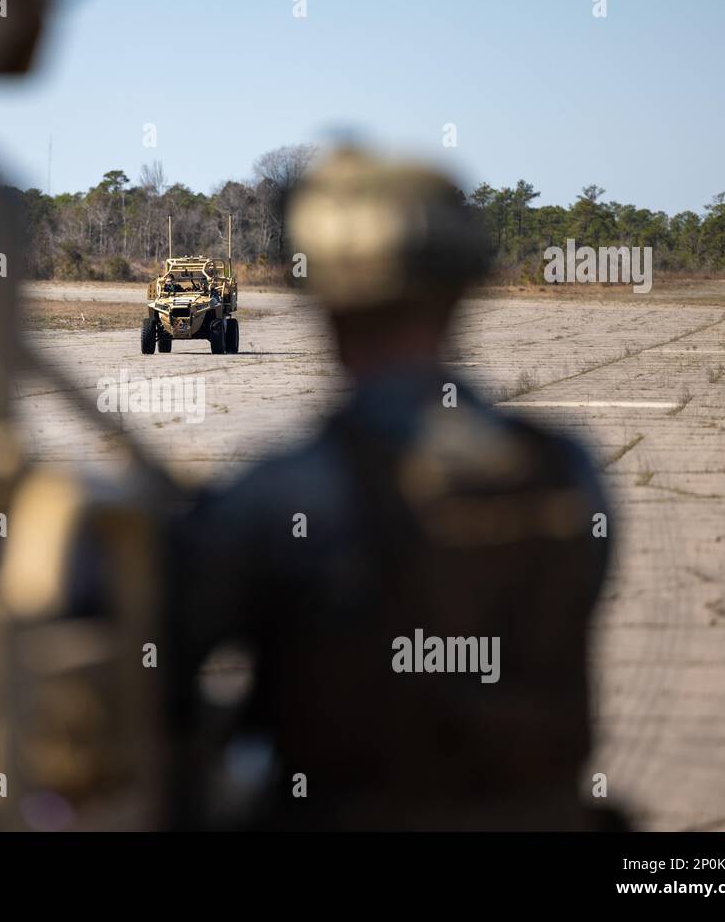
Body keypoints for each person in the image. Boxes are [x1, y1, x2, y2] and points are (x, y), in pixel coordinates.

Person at [166, 146, 614, 830]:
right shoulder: (569, 471)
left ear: (328, 303)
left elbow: (166, 665)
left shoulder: (280, 499)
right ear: (462, 289)